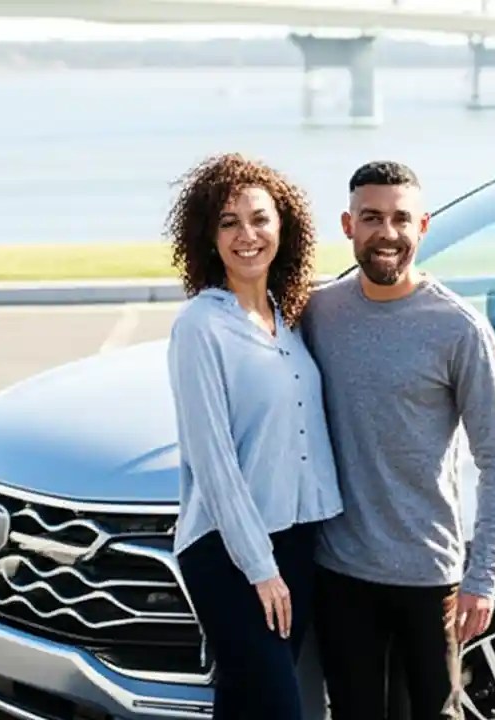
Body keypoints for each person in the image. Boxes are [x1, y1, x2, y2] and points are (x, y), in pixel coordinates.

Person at [301, 160, 495, 719]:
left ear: (423, 226)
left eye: (400, 219)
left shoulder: (459, 328)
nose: (387, 233)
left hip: (431, 578)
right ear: (348, 226)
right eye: (371, 217)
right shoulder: (319, 311)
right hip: (341, 572)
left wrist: (483, 579)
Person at [163, 153, 342, 720]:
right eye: (229, 222)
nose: (248, 235)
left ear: (283, 227)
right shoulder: (199, 327)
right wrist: (260, 568)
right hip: (228, 551)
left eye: (260, 219)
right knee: (278, 706)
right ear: (207, 237)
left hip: (296, 540)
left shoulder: (288, 318)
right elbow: (214, 465)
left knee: (245, 705)